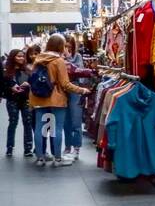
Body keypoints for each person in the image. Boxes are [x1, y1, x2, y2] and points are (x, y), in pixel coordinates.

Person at [29, 34, 90, 168]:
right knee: (56, 129)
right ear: (59, 46)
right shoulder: (58, 60)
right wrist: (82, 90)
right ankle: (57, 159)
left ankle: (40, 158)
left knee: (40, 128)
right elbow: (65, 84)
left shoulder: (38, 59)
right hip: (56, 98)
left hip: (38, 97)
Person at [63, 32, 94, 160]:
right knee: (65, 121)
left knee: (76, 120)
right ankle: (67, 146)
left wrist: (68, 59)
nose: (67, 49)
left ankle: (76, 148)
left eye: (69, 46)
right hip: (62, 90)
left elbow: (80, 73)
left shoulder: (78, 56)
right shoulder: (58, 57)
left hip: (75, 89)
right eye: (65, 46)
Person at [2, 49, 35, 158]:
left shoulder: (27, 71)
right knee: (13, 122)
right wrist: (11, 88)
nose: (21, 58)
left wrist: (28, 85)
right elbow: (3, 87)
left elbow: (33, 85)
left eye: (22, 56)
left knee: (28, 123)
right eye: (18, 56)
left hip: (25, 99)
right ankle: (9, 148)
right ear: (13, 57)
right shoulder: (6, 72)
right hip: (12, 100)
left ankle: (28, 149)